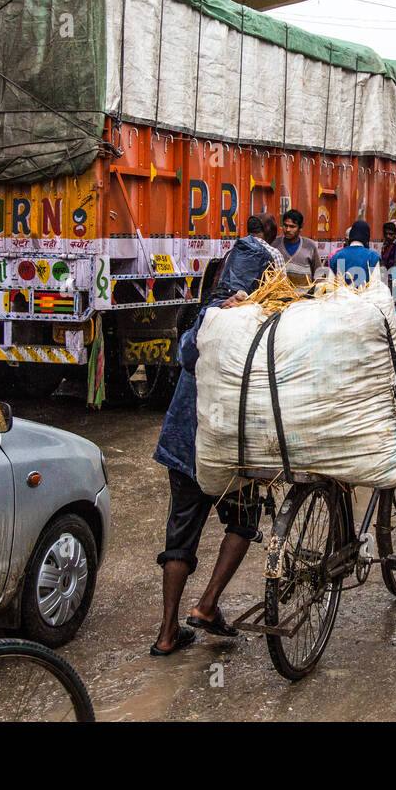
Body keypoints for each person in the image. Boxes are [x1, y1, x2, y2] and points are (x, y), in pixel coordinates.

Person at [150, 213, 281, 657]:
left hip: (186, 448)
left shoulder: (207, 319)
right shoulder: (260, 324)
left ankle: (167, 633)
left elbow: (185, 355)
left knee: (179, 536)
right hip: (230, 454)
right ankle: (207, 605)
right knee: (243, 524)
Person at [273, 209, 321, 285]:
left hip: (304, 295)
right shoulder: (274, 244)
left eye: (292, 226)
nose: (288, 230)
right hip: (280, 295)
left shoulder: (310, 246)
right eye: (285, 225)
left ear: (300, 228)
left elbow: (319, 274)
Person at [328, 220, 380, 287]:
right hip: (364, 297)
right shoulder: (373, 257)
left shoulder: (337, 256)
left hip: (341, 297)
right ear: (367, 237)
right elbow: (376, 286)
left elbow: (330, 285)